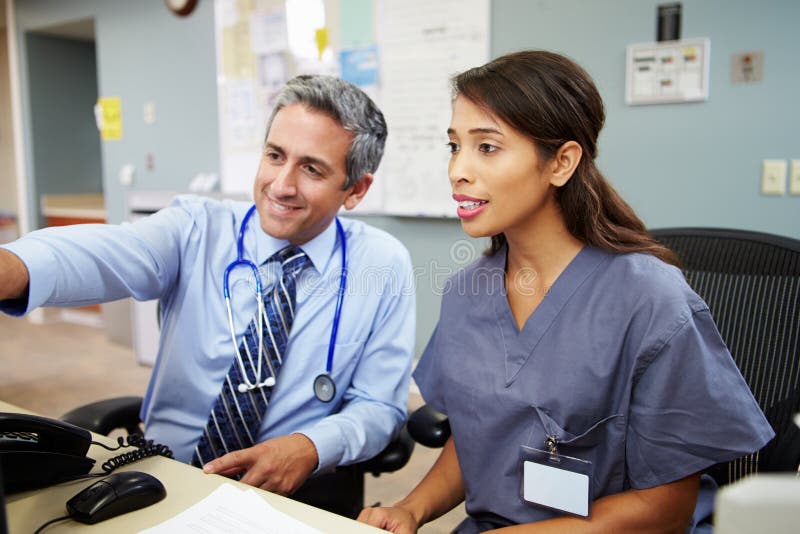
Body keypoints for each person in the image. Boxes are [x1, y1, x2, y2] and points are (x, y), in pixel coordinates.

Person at [357, 50, 774, 533]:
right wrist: (411, 508)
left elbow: (667, 508)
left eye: (487, 147)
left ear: (561, 163)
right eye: (454, 147)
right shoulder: (466, 293)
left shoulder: (650, 300)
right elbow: (477, 440)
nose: (457, 171)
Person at [0, 75, 415, 516]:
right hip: (167, 476)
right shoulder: (197, 227)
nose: (281, 185)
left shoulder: (382, 264)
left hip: (297, 493)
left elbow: (380, 404)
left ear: (356, 189)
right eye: (275, 156)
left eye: (311, 169)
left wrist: (309, 447)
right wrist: (13, 267)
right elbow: (105, 254)